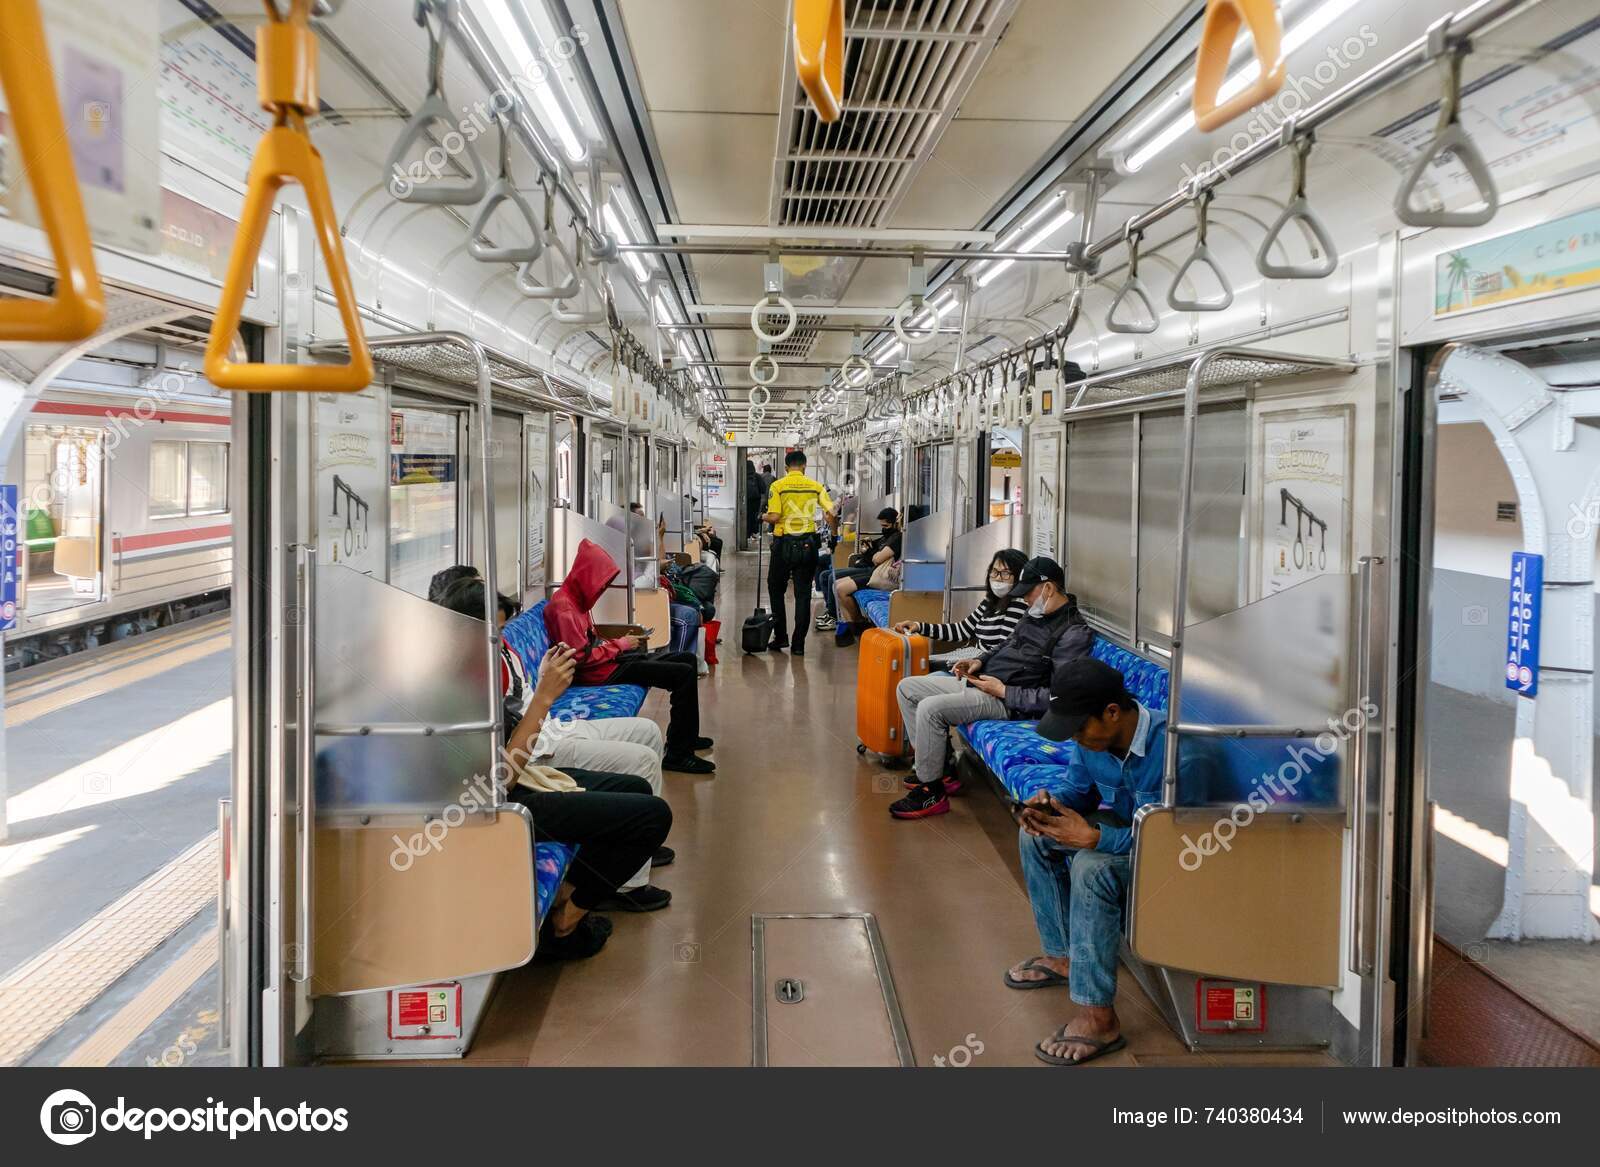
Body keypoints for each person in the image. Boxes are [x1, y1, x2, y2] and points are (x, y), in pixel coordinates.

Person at [429, 582, 673, 959]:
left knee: (638, 788)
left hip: (520, 778)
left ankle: (568, 895)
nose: (499, 644)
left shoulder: (475, 670)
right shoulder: (454, 692)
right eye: (492, 635)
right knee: (653, 816)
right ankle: (566, 922)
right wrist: (545, 697)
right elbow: (498, 783)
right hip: (498, 807)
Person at [1007, 658, 1217, 1066]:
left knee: (1092, 867)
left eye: (1078, 728)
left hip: (1184, 857)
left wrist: (1097, 839)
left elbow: (1185, 842)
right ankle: (1065, 956)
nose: (1075, 738)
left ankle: (1099, 1018)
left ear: (1113, 712)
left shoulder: (1181, 753)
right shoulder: (1093, 744)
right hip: (1135, 835)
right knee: (1037, 838)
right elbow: (1078, 791)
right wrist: (1050, 805)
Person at [888, 556, 1093, 820]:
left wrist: (1005, 692)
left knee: (930, 709)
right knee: (907, 688)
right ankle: (941, 768)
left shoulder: (1073, 634)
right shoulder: (1035, 614)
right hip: (985, 681)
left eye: (1028, 593)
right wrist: (979, 661)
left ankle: (931, 791)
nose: (1025, 600)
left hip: (1008, 702)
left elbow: (1059, 697)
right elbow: (1006, 644)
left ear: (1048, 588)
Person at [543, 537, 715, 773]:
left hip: (607, 663)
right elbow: (580, 659)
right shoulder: (564, 608)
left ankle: (685, 737)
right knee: (681, 674)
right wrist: (620, 645)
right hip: (597, 674)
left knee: (686, 659)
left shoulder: (576, 599)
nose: (601, 589)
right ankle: (678, 754)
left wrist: (617, 645)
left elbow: (588, 643)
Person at [892, 546, 1028, 681]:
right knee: (918, 671)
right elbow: (963, 629)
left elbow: (1003, 651)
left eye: (1005, 573)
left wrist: (976, 663)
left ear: (1018, 577)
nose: (998, 578)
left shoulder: (1018, 604)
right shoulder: (990, 601)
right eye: (994, 571)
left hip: (983, 673)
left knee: (915, 682)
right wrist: (919, 626)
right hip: (972, 664)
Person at [761, 449, 835, 656]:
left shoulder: (778, 486)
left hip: (783, 544)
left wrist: (762, 516)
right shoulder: (816, 486)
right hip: (808, 544)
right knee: (802, 594)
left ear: (786, 467)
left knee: (776, 590)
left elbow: (775, 516)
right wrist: (835, 536)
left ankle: (780, 637)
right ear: (804, 466)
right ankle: (799, 644)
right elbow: (831, 513)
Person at [831, 507, 903, 645]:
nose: (883, 529)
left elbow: (877, 559)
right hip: (875, 572)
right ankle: (853, 624)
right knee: (836, 584)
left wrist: (871, 553)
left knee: (840, 588)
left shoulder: (897, 538)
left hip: (882, 577)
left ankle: (857, 623)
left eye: (886, 526)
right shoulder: (890, 537)